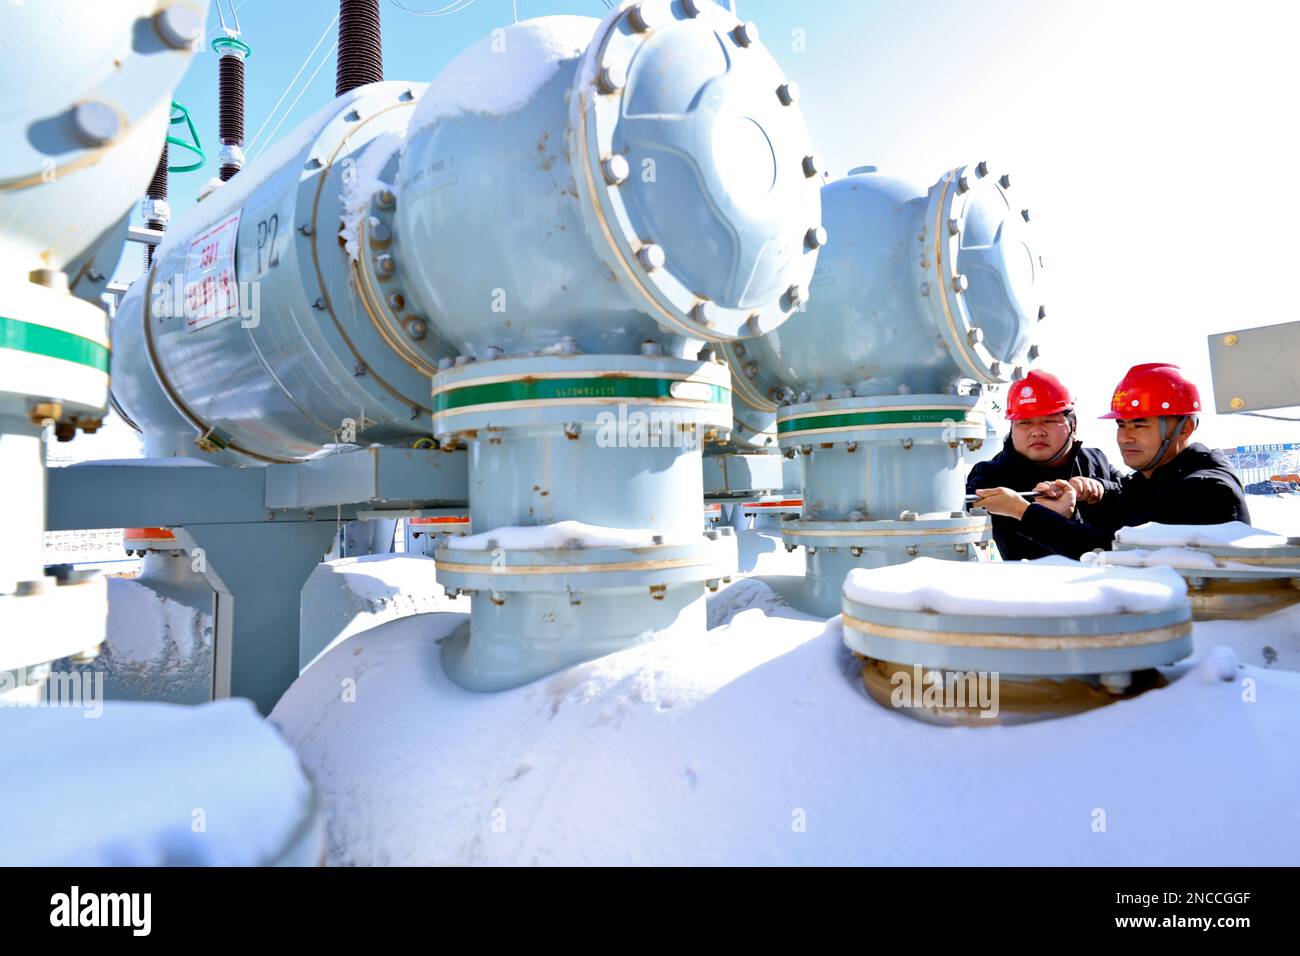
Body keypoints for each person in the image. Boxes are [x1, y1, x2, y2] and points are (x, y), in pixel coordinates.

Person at [975, 363, 1250, 558]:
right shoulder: (1156, 477)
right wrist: (1092, 496)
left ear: (1186, 428)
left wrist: (1024, 512)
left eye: (1139, 426)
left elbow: (1109, 549)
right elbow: (1125, 496)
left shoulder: (1207, 491)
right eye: (1122, 425)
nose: (1126, 438)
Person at [966, 370, 1125, 560]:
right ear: (1012, 428)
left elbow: (1137, 494)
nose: (1036, 432)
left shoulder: (1095, 462)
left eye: (1049, 420)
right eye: (1025, 423)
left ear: (1073, 425)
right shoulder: (991, 476)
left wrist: (1101, 487)